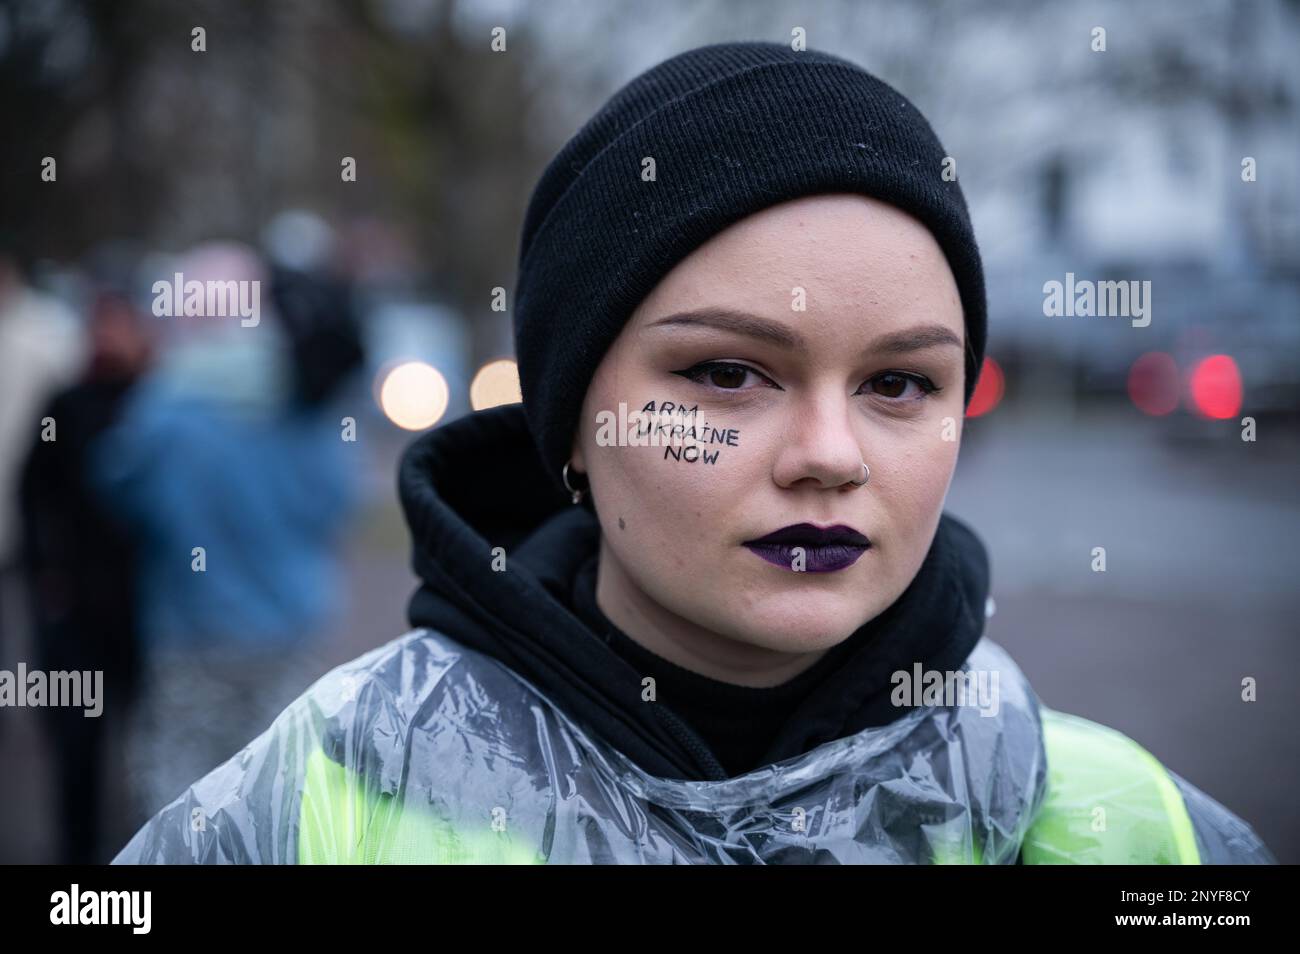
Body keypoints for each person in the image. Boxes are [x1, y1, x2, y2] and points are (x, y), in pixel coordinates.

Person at [112, 41, 1274, 864]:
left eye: (899, 384)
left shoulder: (1122, 826)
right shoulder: (322, 802)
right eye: (726, 373)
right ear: (572, 417)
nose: (827, 456)